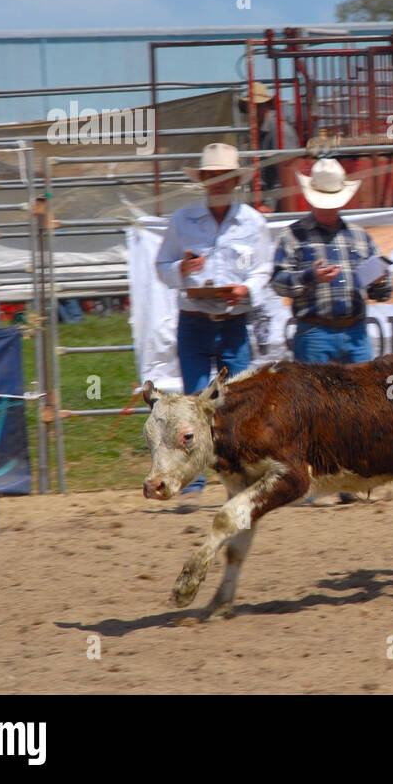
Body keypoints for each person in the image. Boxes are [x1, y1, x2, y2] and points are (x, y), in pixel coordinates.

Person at [155, 142, 273, 510]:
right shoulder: (182, 221)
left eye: (225, 176)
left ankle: (237, 477)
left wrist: (245, 289)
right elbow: (162, 265)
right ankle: (193, 481)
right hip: (194, 321)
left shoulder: (253, 222)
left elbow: (263, 270)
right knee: (192, 401)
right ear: (204, 179)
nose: (219, 182)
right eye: (212, 176)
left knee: (234, 404)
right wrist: (182, 270)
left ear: (235, 179)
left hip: (232, 321)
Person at [270, 157, 393, 364]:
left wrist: (380, 282)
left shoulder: (360, 236)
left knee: (360, 396)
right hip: (315, 333)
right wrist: (310, 276)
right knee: (315, 397)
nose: (328, 208)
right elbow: (277, 283)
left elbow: (381, 293)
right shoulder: (291, 236)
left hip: (356, 333)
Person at [238, 81, 300, 213]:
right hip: (265, 203)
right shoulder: (260, 131)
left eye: (258, 106)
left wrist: (269, 205)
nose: (253, 110)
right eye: (250, 106)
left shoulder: (280, 131)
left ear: (266, 106)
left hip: (279, 208)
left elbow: (285, 174)